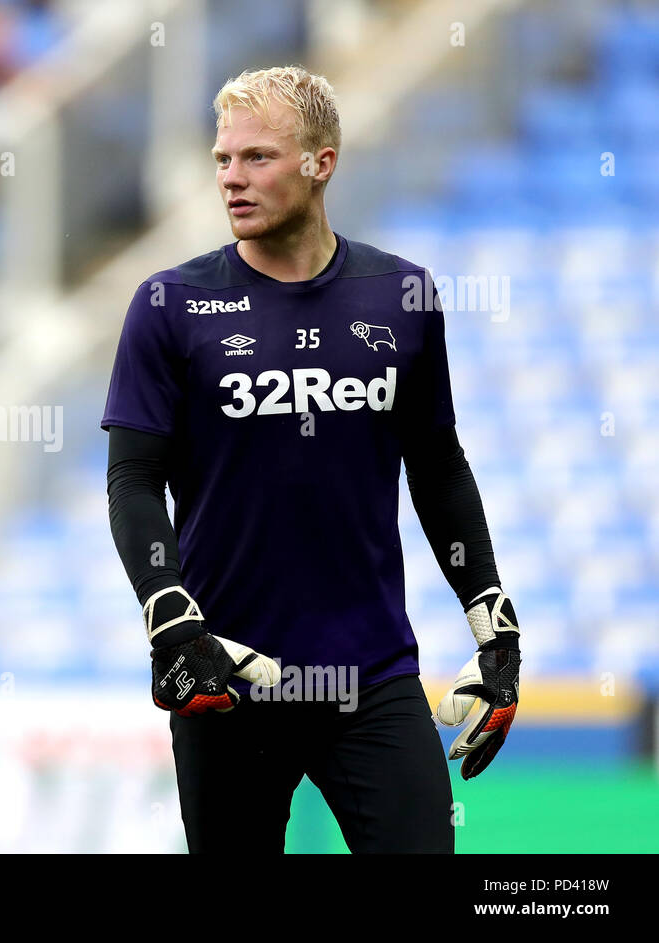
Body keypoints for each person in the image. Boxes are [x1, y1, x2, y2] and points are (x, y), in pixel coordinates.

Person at [101, 65, 519, 854]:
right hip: (227, 675)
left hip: (372, 676)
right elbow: (132, 479)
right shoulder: (168, 305)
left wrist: (494, 626)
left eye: (257, 157)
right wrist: (171, 617)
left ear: (320, 162)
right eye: (222, 159)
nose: (231, 178)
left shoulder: (404, 295)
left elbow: (438, 465)